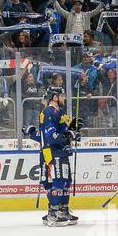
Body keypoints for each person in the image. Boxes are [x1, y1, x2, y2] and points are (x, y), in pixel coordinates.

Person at [37, 86, 80, 226]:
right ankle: (54, 212)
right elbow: (51, 136)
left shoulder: (58, 112)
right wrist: (67, 135)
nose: (64, 98)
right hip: (51, 153)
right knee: (56, 182)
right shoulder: (49, 112)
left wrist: (73, 129)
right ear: (55, 97)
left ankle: (63, 210)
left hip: (61, 152)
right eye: (62, 96)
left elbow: (63, 131)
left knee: (66, 182)